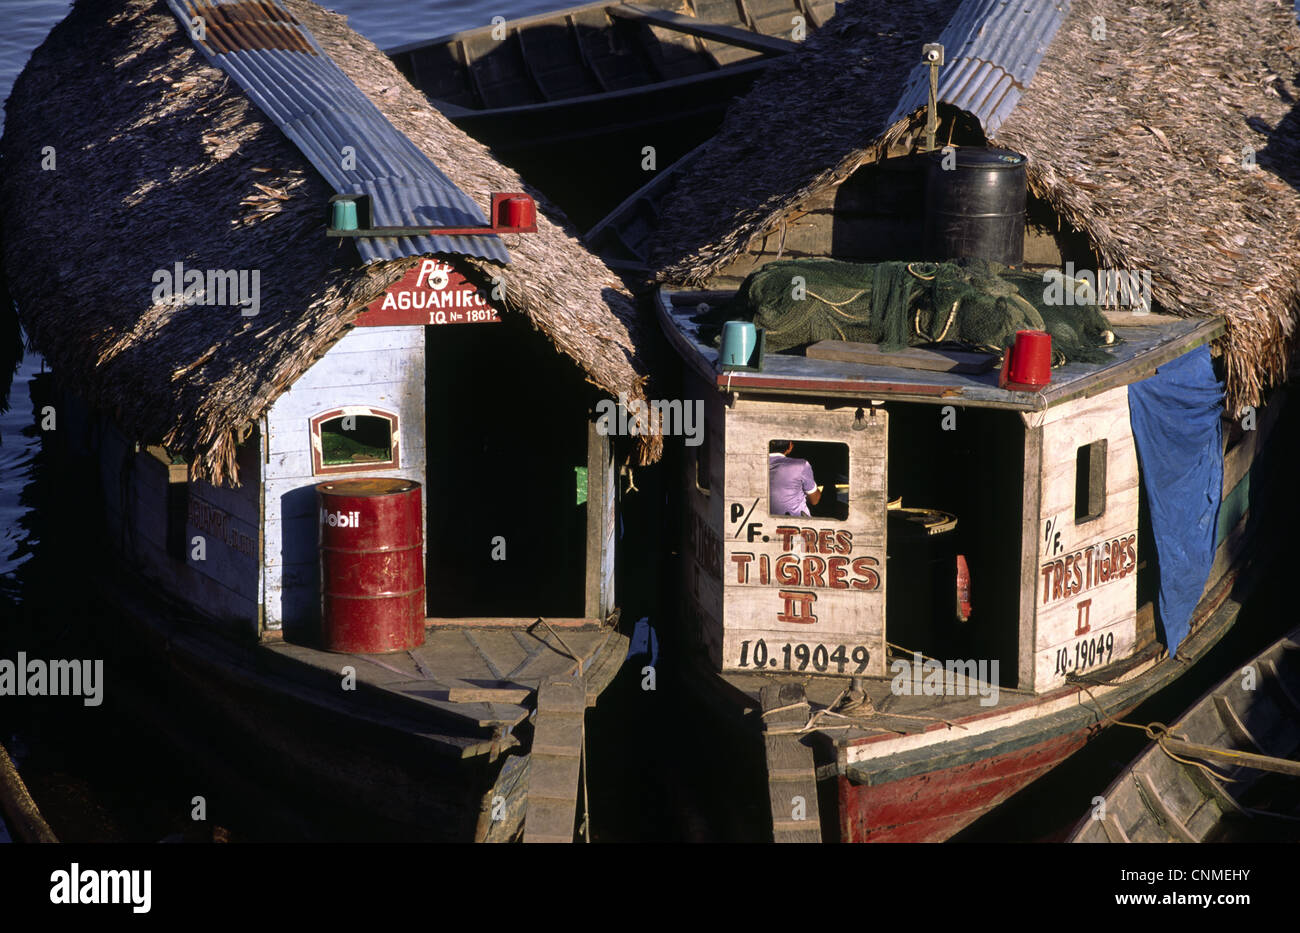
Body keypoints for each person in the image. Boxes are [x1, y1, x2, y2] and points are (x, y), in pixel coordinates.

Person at [769, 440, 821, 517]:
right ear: (790, 446)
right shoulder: (801, 465)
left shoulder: (755, 464)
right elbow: (814, 500)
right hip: (797, 523)